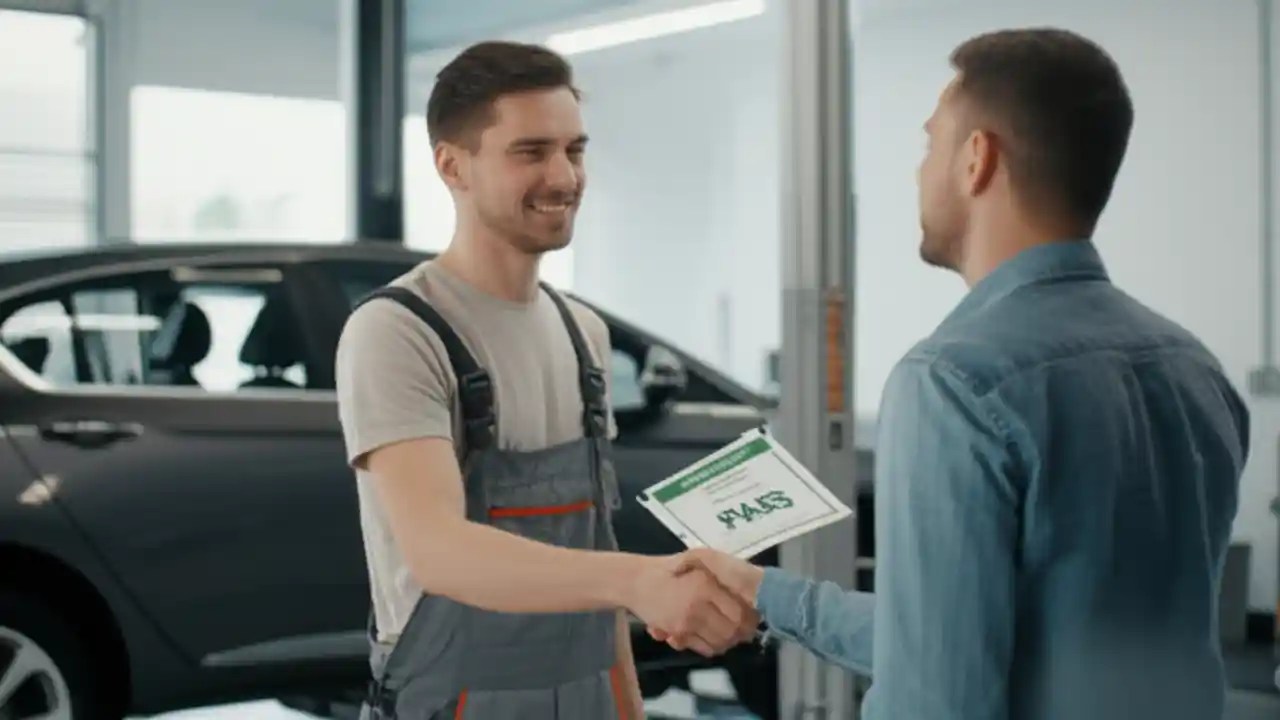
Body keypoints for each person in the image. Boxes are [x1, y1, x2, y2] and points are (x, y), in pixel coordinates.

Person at [659, 27, 1251, 720]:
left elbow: (936, 694)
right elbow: (975, 639)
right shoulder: (1195, 370)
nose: (918, 171)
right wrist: (767, 595)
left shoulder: (951, 382)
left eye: (929, 142)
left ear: (977, 159)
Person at [335, 41, 756, 720]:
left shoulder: (582, 334)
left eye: (575, 150)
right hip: (455, 701)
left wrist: (630, 707)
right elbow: (439, 550)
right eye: (530, 152)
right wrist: (640, 582)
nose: (563, 177)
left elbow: (594, 542)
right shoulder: (400, 331)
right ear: (453, 166)